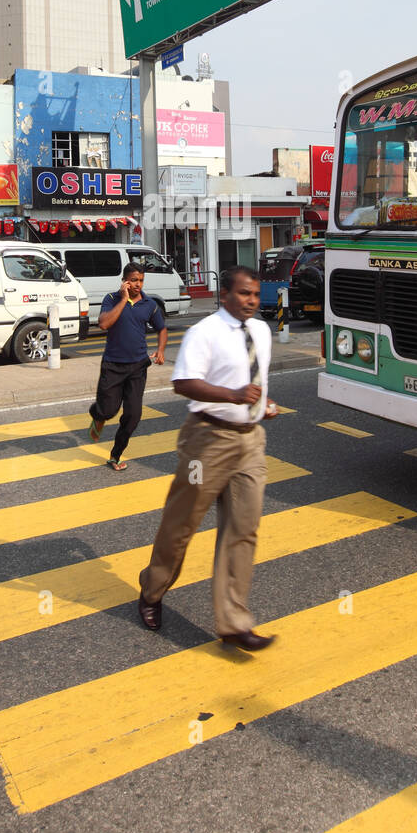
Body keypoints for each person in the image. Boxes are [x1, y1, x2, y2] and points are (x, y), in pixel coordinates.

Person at [137, 266, 279, 650]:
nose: (251, 300)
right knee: (181, 523)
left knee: (243, 529)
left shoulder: (262, 331)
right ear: (225, 295)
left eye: (255, 294)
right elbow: (183, 382)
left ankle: (233, 622)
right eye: (244, 294)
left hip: (250, 443)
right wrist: (234, 396)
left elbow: (256, 380)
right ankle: (152, 589)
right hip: (207, 441)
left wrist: (262, 403)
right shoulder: (205, 332)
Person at [88, 263, 167, 471]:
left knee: (133, 416)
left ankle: (115, 455)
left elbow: (162, 328)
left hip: (138, 367)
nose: (138, 284)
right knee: (108, 410)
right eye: (133, 280)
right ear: (124, 281)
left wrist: (161, 350)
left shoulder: (149, 304)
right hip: (112, 365)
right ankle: (98, 415)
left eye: (141, 280)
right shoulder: (111, 299)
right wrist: (124, 299)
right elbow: (104, 324)